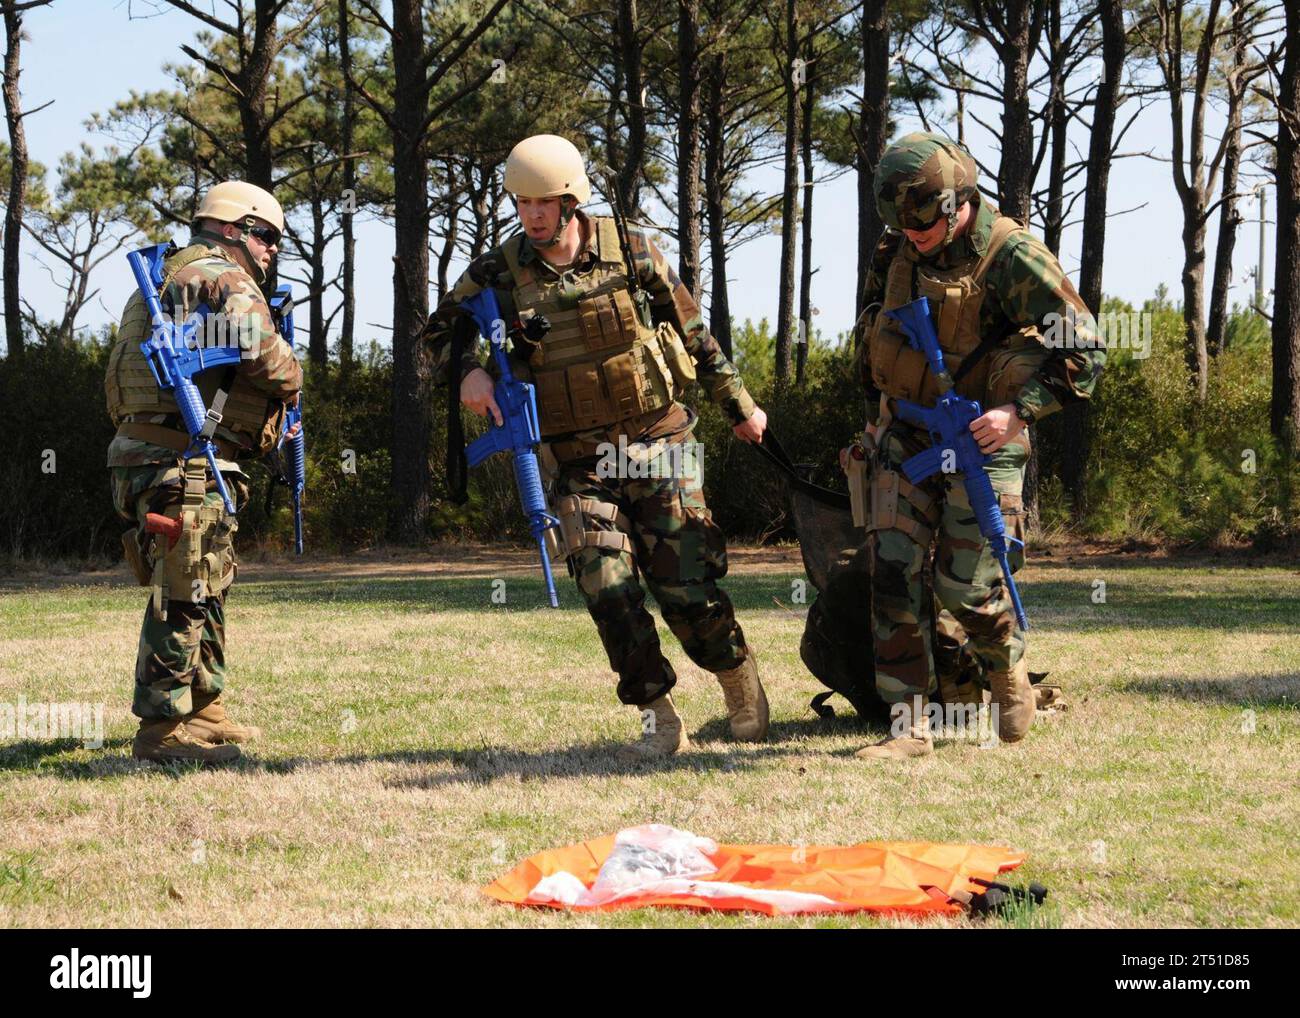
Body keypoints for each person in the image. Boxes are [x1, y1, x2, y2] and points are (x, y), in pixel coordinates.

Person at [424, 134, 769, 758]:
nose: (532, 215)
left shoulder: (631, 248)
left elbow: (693, 329)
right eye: (522, 203)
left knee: (686, 583)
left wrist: (739, 407)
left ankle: (737, 678)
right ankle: (658, 715)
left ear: (571, 201)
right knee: (607, 587)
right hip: (579, 461)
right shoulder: (497, 273)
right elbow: (437, 337)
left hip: (659, 438)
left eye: (544, 203)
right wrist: (469, 371)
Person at [851, 132, 1105, 759]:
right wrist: (874, 424)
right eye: (902, 227)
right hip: (907, 431)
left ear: (955, 202)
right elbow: (872, 339)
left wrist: (1018, 412)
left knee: (965, 584)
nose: (912, 237)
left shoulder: (1011, 256)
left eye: (922, 225)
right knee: (892, 571)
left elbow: (1088, 351)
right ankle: (909, 725)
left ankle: (1006, 666)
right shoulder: (898, 249)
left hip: (982, 438)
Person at [105, 180, 302, 764]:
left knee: (205, 579)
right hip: (179, 456)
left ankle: (203, 707)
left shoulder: (168, 275)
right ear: (234, 229)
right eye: (266, 237)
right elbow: (267, 358)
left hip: (159, 450)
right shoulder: (222, 275)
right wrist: (294, 372)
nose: (270, 251)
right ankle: (162, 731)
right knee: (185, 583)